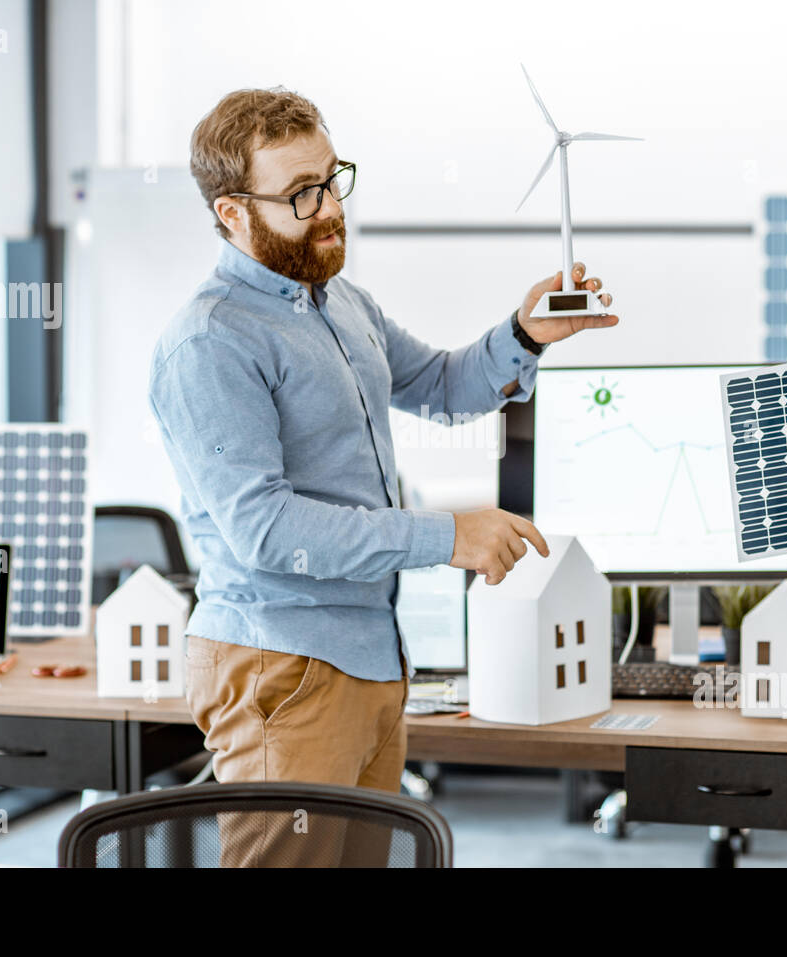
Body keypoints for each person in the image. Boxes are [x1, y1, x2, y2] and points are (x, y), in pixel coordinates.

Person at [147, 87, 619, 864]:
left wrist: (525, 336)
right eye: (301, 194)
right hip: (282, 662)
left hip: (366, 655)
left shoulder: (342, 304)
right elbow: (267, 529)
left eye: (333, 179)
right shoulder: (210, 342)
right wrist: (447, 536)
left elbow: (438, 384)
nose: (330, 207)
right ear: (233, 213)